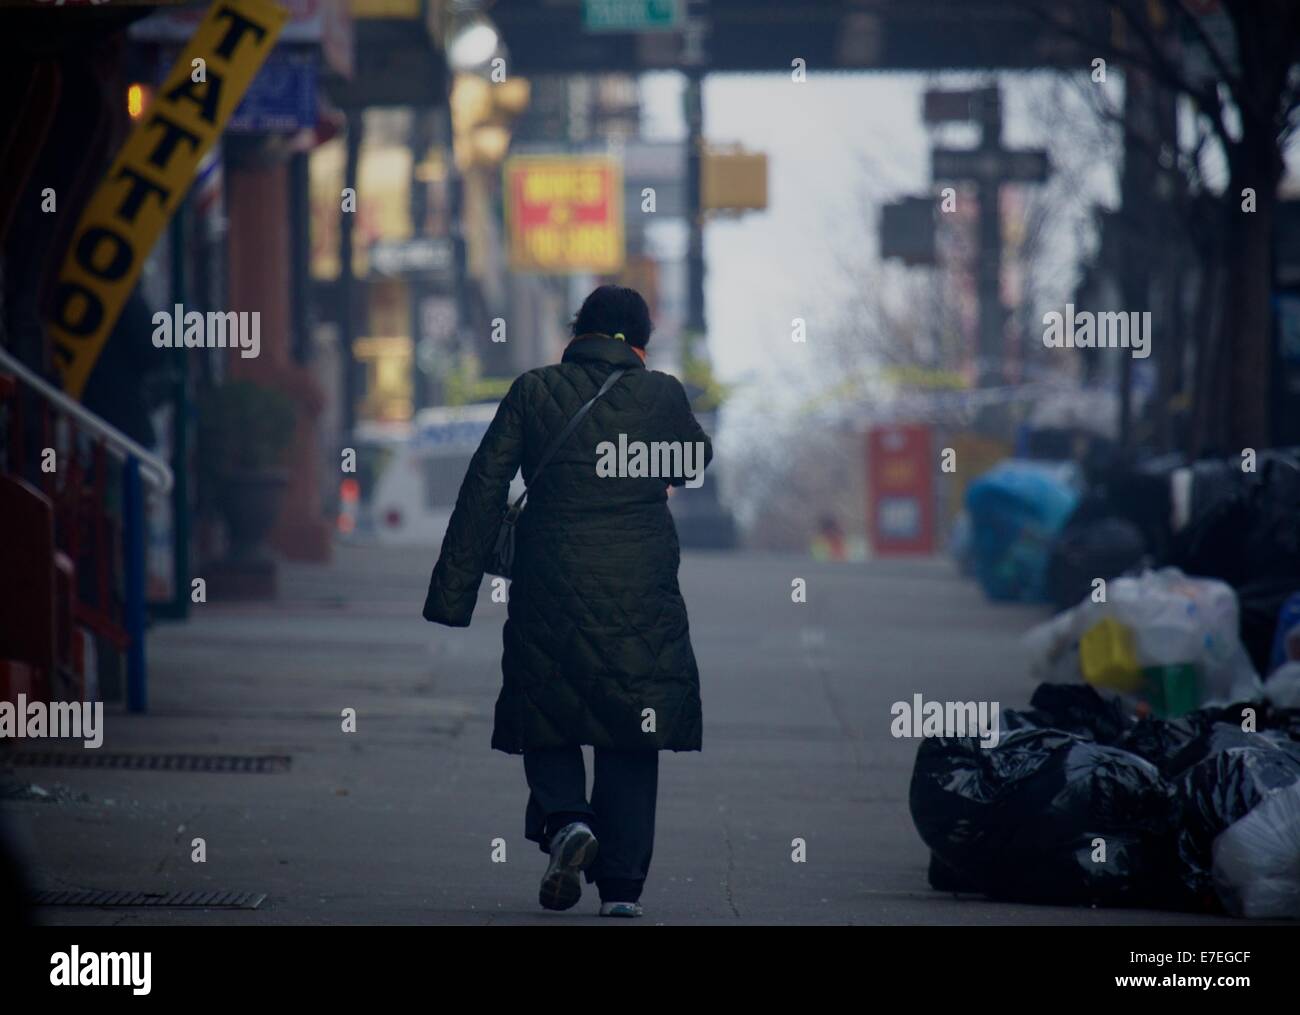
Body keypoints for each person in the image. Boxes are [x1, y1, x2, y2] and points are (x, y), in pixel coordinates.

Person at [422, 285, 712, 918]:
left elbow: (483, 485)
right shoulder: (661, 393)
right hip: (640, 590)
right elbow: (694, 461)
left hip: (548, 579)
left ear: (578, 330)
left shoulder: (533, 390)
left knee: (545, 705)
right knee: (632, 730)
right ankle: (623, 892)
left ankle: (566, 823)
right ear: (639, 341)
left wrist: (453, 594)